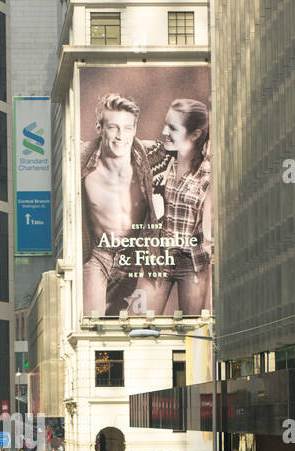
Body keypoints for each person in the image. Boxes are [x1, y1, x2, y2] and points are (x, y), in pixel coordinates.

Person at [132, 98, 212, 316]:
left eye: (173, 128)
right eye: (165, 124)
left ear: (194, 135)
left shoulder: (208, 173)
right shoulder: (158, 158)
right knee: (137, 326)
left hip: (193, 262)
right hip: (159, 256)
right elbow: (124, 145)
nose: (164, 131)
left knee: (193, 332)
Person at [80, 92, 157, 314]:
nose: (120, 135)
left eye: (128, 128)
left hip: (135, 256)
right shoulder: (80, 160)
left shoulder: (149, 156)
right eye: (113, 127)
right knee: (93, 325)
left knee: (127, 330)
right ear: (99, 128)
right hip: (99, 255)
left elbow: (191, 143)